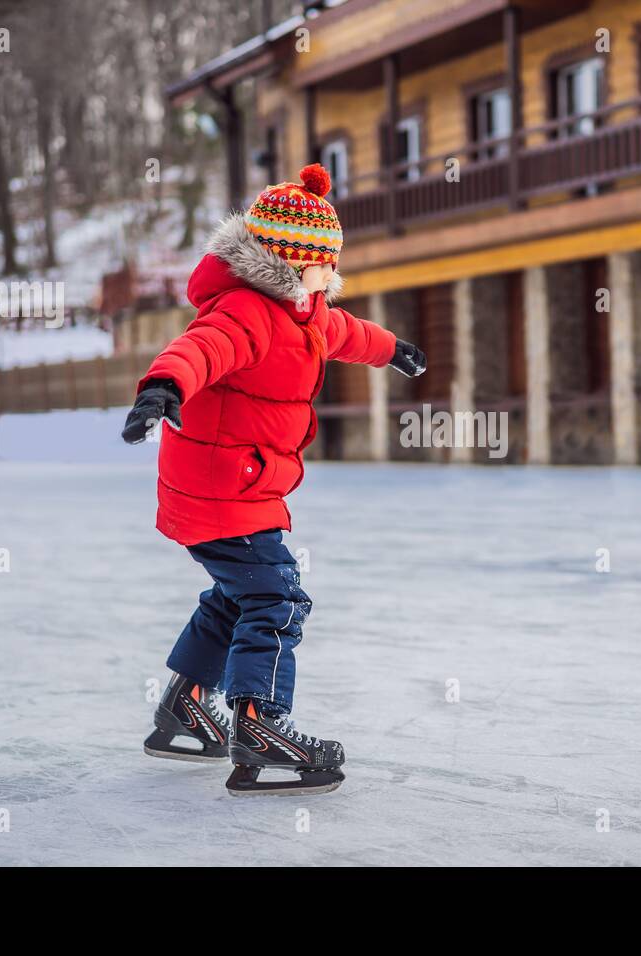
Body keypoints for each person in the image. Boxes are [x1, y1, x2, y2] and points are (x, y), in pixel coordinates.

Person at [122, 164, 426, 795]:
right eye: (324, 263)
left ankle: (184, 708)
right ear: (289, 261)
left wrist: (392, 348)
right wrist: (161, 387)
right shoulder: (246, 312)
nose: (332, 275)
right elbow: (199, 349)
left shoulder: (305, 313)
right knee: (277, 596)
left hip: (234, 486)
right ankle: (260, 728)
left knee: (239, 595)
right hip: (221, 489)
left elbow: (346, 333)